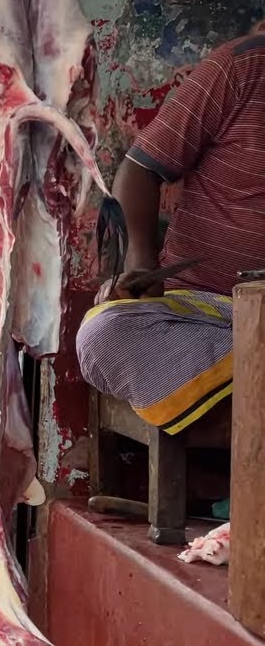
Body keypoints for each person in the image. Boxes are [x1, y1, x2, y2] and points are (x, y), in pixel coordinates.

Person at [76, 32, 265, 436]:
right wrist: (141, 269)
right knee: (106, 335)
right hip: (199, 314)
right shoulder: (240, 68)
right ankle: (249, 372)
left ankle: (243, 377)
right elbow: (140, 170)